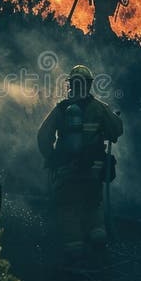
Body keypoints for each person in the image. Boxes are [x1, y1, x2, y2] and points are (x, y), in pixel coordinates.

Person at [37, 64, 123, 256]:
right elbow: (116, 130)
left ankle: (75, 261)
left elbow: (43, 137)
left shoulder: (60, 110)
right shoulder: (99, 108)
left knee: (69, 211)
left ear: (71, 85)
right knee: (93, 206)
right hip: (93, 172)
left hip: (66, 174)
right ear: (89, 85)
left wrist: (52, 159)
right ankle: (99, 254)